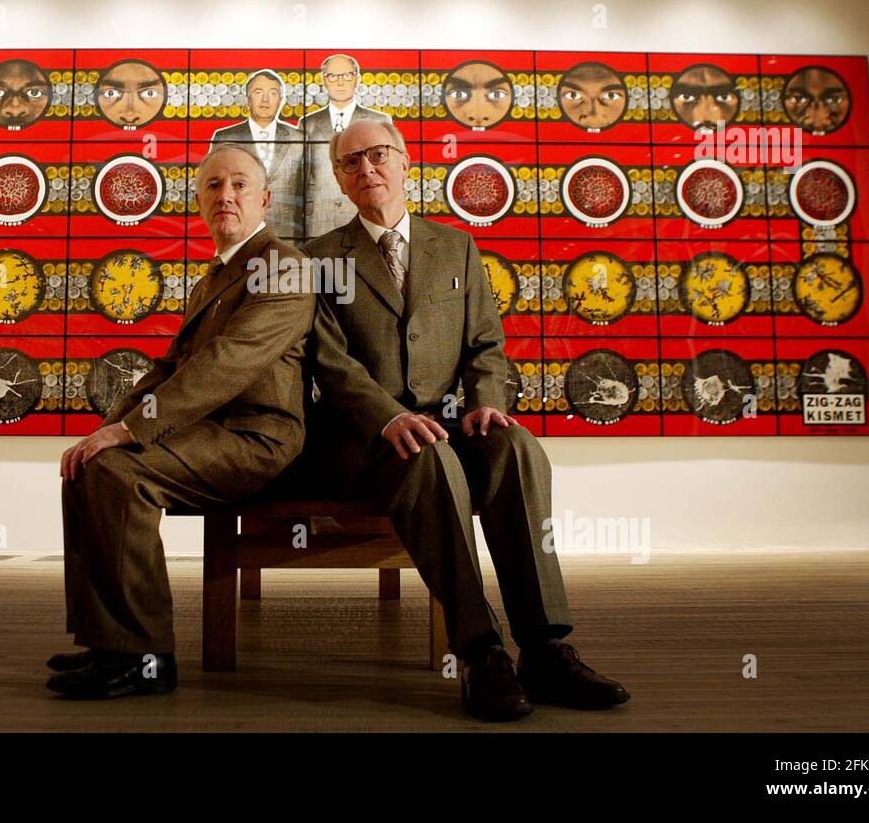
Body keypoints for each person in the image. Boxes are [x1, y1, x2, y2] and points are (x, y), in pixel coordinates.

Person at [302, 117, 631, 721]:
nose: (366, 168)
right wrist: (386, 417)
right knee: (423, 456)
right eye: (350, 162)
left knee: (517, 447)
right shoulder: (319, 257)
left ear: (405, 163)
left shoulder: (455, 246)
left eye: (378, 155)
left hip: (452, 421)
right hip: (367, 440)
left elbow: (485, 345)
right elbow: (329, 361)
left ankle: (545, 648)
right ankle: (481, 654)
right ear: (340, 181)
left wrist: (486, 403)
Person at [50, 144, 315, 700]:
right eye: (214, 186)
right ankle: (109, 642)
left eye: (240, 184)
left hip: (257, 437)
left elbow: (228, 364)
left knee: (118, 474)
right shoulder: (216, 275)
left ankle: (144, 659)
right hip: (206, 433)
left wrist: (131, 433)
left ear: (265, 198)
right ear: (199, 202)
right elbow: (169, 368)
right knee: (88, 466)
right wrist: (109, 426)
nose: (227, 195)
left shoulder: (284, 266)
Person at [300, 53, 391, 239]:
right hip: (319, 219)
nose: (340, 82)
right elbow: (302, 177)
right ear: (323, 81)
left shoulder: (379, 120)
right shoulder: (307, 123)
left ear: (357, 79)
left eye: (347, 75)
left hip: (365, 217)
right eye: (333, 76)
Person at [210, 69, 305, 240]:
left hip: (288, 239)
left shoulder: (298, 138)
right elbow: (213, 187)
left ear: (281, 100)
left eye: (273, 93)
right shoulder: (226, 138)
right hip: (239, 236)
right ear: (248, 99)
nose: (265, 99)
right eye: (258, 92)